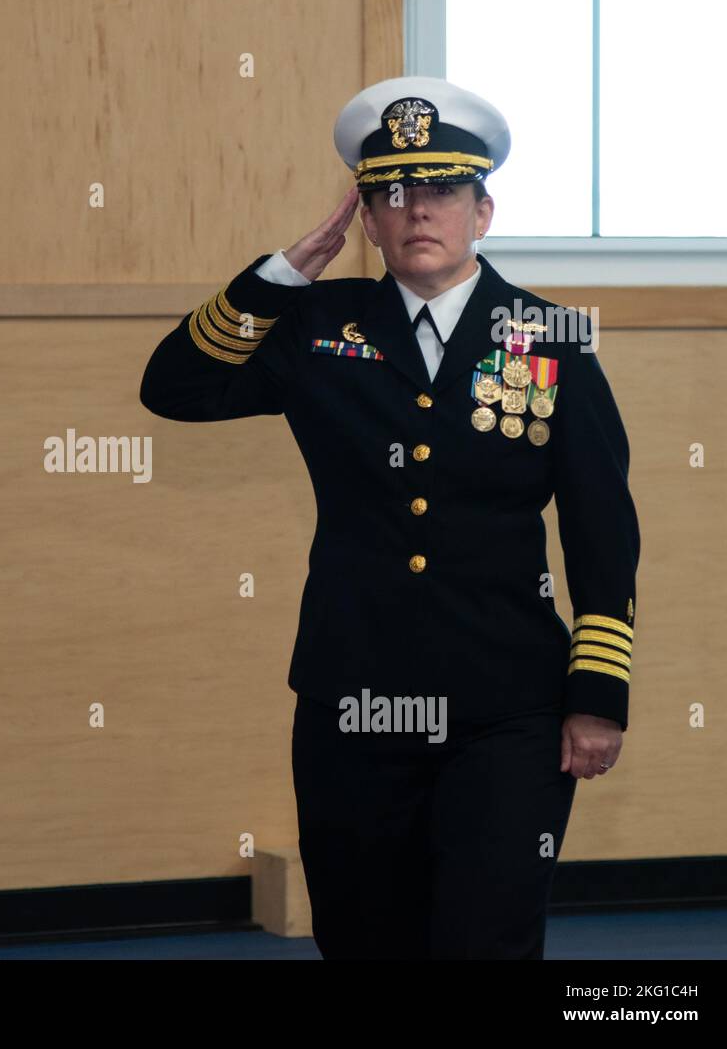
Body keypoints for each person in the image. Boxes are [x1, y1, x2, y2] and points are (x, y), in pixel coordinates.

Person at [139, 76, 639, 959]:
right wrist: (284, 274)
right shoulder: (318, 327)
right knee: (367, 941)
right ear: (366, 220)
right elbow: (175, 387)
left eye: (443, 191)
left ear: (484, 211)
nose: (418, 212)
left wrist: (597, 696)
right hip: (353, 705)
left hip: (506, 709)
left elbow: (603, 529)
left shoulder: (549, 337)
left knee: (484, 938)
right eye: (391, 195)